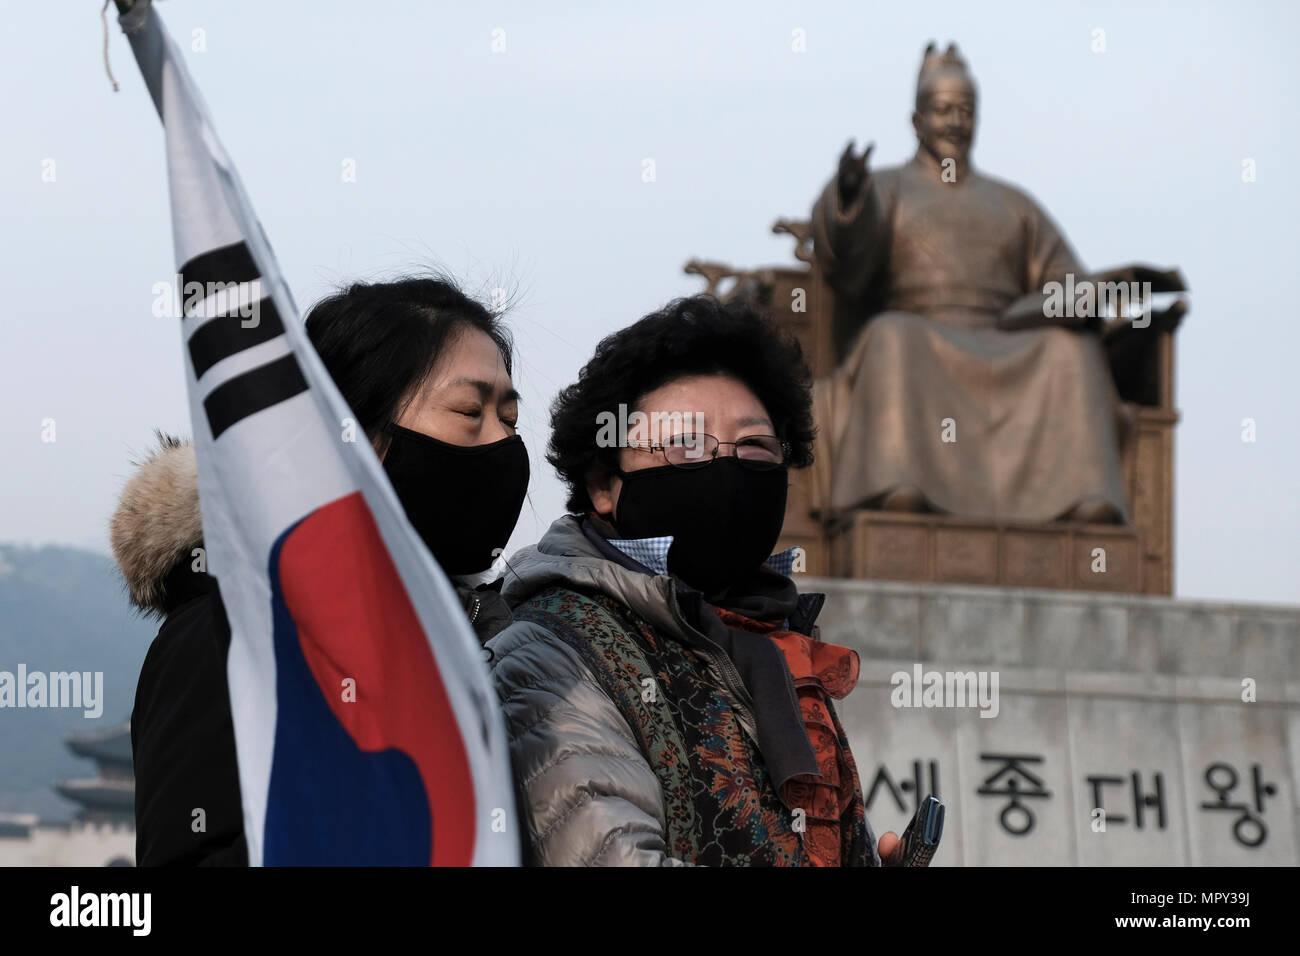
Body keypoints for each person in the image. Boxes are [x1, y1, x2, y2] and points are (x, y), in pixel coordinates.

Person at [113, 276, 530, 865]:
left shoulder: (492, 640)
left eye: (509, 417)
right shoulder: (228, 636)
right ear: (354, 437)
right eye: (470, 410)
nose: (503, 442)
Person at [486, 294, 896, 866]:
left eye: (754, 445)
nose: (724, 468)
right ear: (605, 485)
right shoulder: (550, 648)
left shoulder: (771, 647)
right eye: (684, 445)